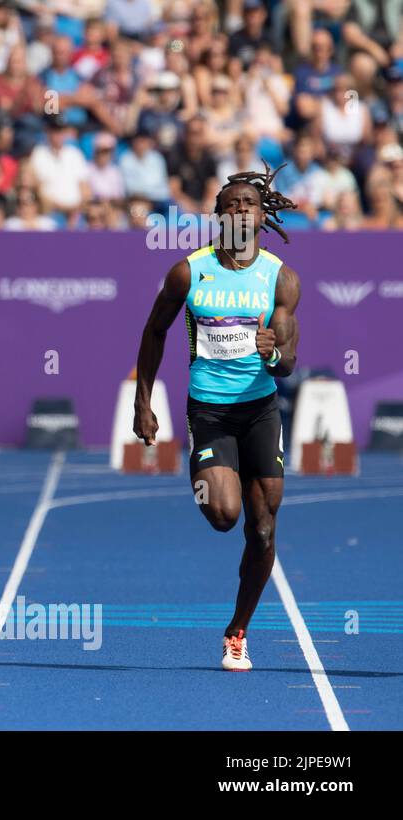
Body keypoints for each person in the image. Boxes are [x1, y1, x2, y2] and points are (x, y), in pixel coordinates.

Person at [132, 165, 303, 672]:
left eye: (249, 203)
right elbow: (154, 332)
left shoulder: (280, 277)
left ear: (260, 214)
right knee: (224, 515)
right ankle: (205, 467)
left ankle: (238, 630)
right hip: (208, 411)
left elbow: (289, 362)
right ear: (217, 215)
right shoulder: (190, 271)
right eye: (230, 203)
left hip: (260, 411)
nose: (240, 210)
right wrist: (143, 401)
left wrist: (273, 354)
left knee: (264, 530)